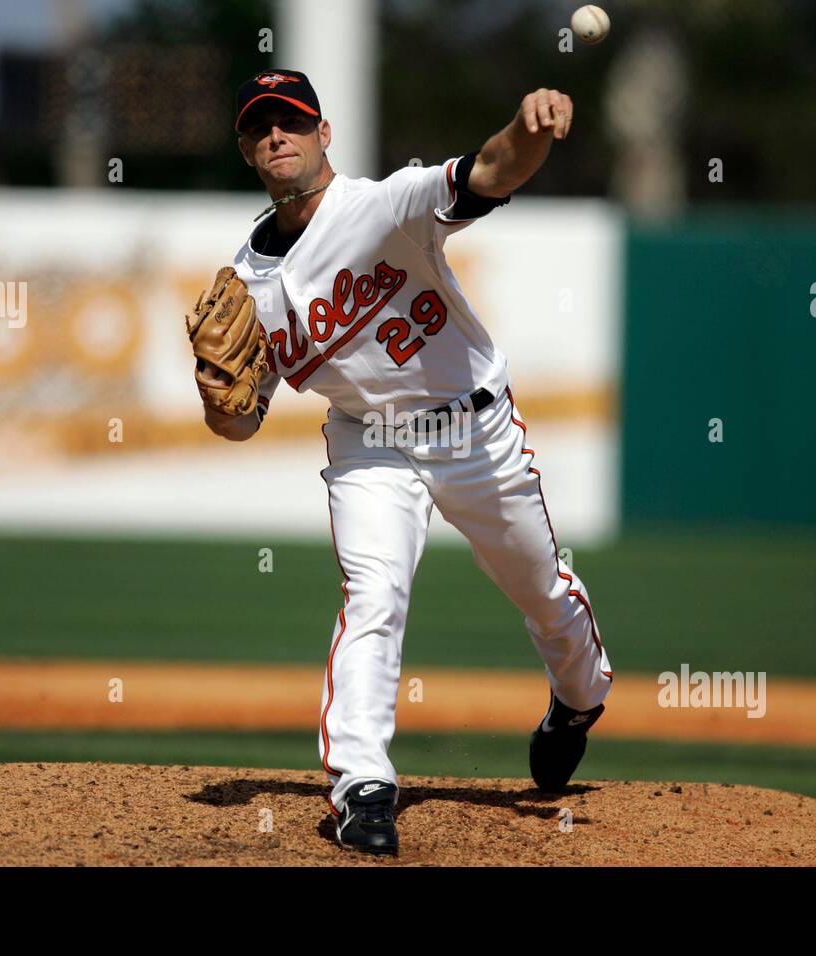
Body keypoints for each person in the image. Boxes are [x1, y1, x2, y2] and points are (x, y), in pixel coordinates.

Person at [204, 69, 613, 856]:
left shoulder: (383, 206)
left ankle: (579, 698)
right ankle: (362, 786)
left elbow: (489, 171)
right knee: (373, 594)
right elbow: (243, 424)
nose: (276, 136)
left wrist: (531, 126)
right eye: (260, 127)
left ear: (326, 134)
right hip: (368, 442)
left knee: (543, 591)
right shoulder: (247, 282)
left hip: (470, 430)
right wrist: (224, 407)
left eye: (291, 121)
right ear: (248, 150)